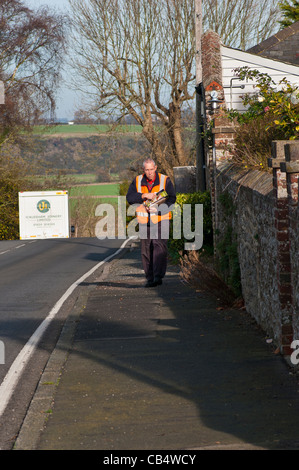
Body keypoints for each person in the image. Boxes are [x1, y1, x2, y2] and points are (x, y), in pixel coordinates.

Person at [126, 158, 176, 287]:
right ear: (143, 170)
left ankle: (158, 277)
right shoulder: (137, 181)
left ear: (156, 168)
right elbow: (130, 198)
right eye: (147, 170)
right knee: (146, 250)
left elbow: (171, 199)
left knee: (159, 246)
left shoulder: (165, 180)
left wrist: (159, 210)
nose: (149, 172)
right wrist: (144, 196)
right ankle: (150, 277)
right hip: (144, 220)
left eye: (151, 169)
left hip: (161, 219)